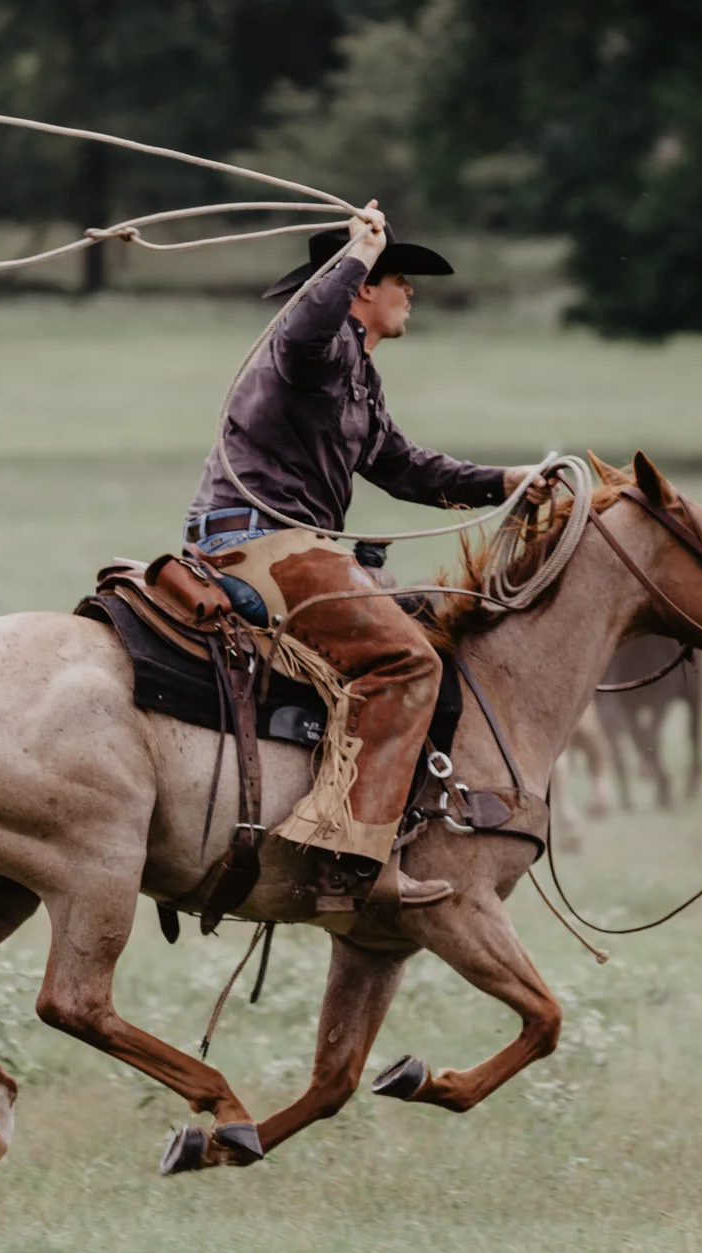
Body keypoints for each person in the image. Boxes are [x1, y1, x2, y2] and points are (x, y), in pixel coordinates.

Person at [185, 201, 533, 906]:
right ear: (364, 287)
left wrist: (507, 482)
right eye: (400, 277)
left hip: (281, 542)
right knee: (408, 659)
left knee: (418, 629)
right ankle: (348, 853)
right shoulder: (312, 344)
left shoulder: (358, 377)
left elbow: (406, 467)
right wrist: (358, 251)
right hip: (256, 541)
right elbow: (307, 325)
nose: (413, 292)